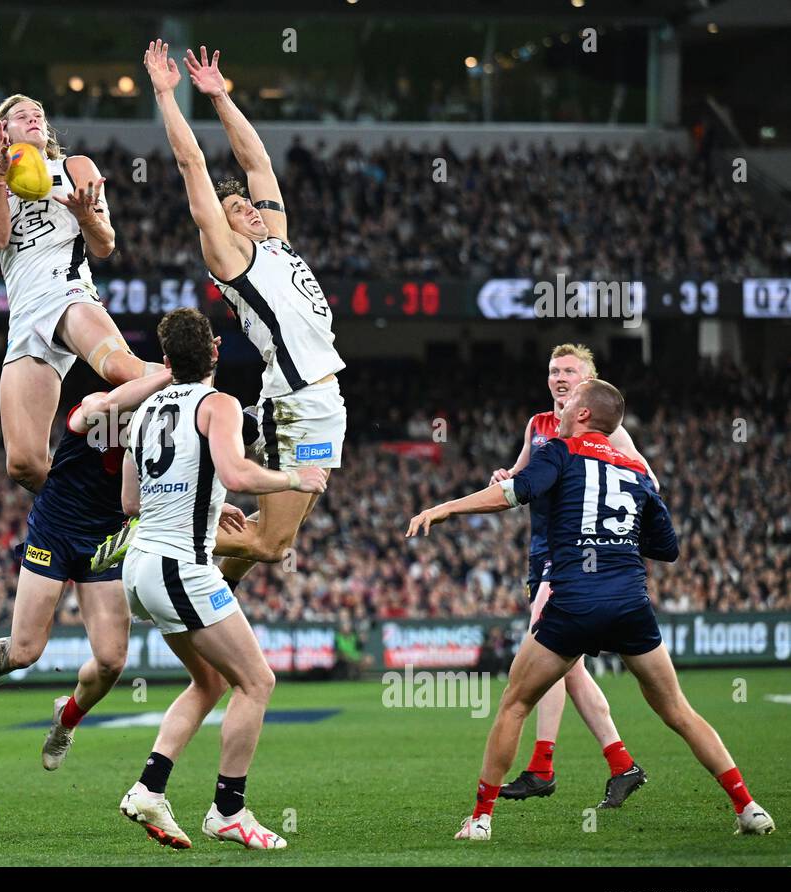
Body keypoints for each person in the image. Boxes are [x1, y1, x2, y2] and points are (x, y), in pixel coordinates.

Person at [407, 379, 775, 840]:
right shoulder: (637, 471)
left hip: (575, 605)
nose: (558, 410)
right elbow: (668, 548)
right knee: (679, 710)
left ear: (584, 415)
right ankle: (748, 807)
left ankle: (480, 820)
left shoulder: (560, 453)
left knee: (515, 704)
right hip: (629, 605)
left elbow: (511, 494)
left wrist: (445, 509)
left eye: (569, 404)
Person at [96, 43, 345, 591]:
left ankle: (214, 597)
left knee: (272, 539)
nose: (251, 209)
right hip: (297, 403)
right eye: (237, 210)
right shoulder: (234, 260)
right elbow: (193, 165)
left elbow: (257, 162)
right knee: (270, 544)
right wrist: (168, 95)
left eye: (249, 205)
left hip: (323, 401)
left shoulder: (274, 241)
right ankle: (145, 533)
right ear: (224, 228)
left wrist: (219, 97)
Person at [116, 307, 327, 850]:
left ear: (164, 361)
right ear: (215, 351)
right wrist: (292, 476)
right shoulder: (220, 404)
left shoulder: (141, 412)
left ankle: (150, 788)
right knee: (257, 682)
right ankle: (228, 809)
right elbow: (234, 470)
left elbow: (131, 502)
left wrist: (211, 506)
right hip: (179, 565)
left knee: (209, 682)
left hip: (139, 567)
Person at [0, 369, 177, 771]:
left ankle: (66, 719)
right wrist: (167, 375)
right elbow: (109, 405)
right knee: (24, 652)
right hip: (54, 532)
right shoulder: (97, 406)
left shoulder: (161, 427)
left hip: (103, 541)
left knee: (111, 661)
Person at [0, 94, 162, 496]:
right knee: (25, 464)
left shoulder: (75, 167)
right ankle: (94, 510)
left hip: (68, 292)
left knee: (121, 370)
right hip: (25, 318)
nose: (33, 117)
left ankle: (197, 386)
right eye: (21, 115)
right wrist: (2, 177)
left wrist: (87, 216)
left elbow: (105, 244)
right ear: (3, 132)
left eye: (38, 113)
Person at [489, 343, 656, 808]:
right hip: (540, 554)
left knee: (552, 656)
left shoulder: (611, 431)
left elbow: (648, 481)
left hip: (573, 558)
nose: (559, 377)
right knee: (571, 668)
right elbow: (519, 481)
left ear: (588, 381)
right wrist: (504, 478)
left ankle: (544, 766)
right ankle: (621, 764)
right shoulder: (539, 426)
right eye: (553, 370)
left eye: (569, 371)